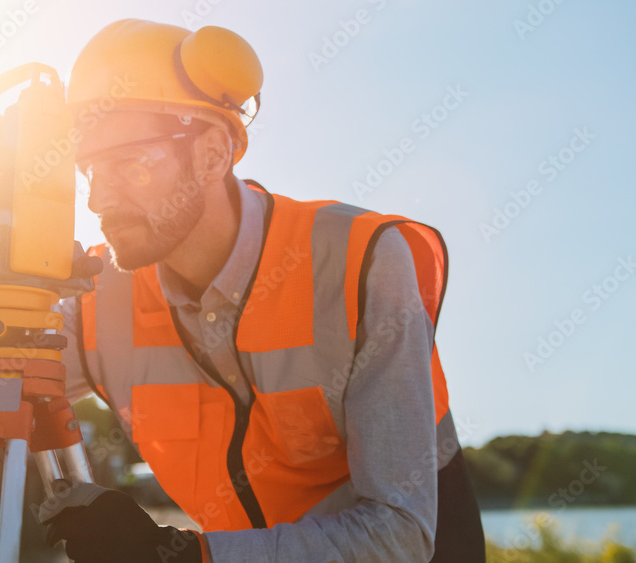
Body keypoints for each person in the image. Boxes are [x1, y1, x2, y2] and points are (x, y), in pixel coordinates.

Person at [35, 18, 487, 563]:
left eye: (129, 164)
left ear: (212, 154)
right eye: (89, 171)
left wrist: (178, 554)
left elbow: (400, 535)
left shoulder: (358, 263)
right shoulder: (96, 306)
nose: (97, 201)